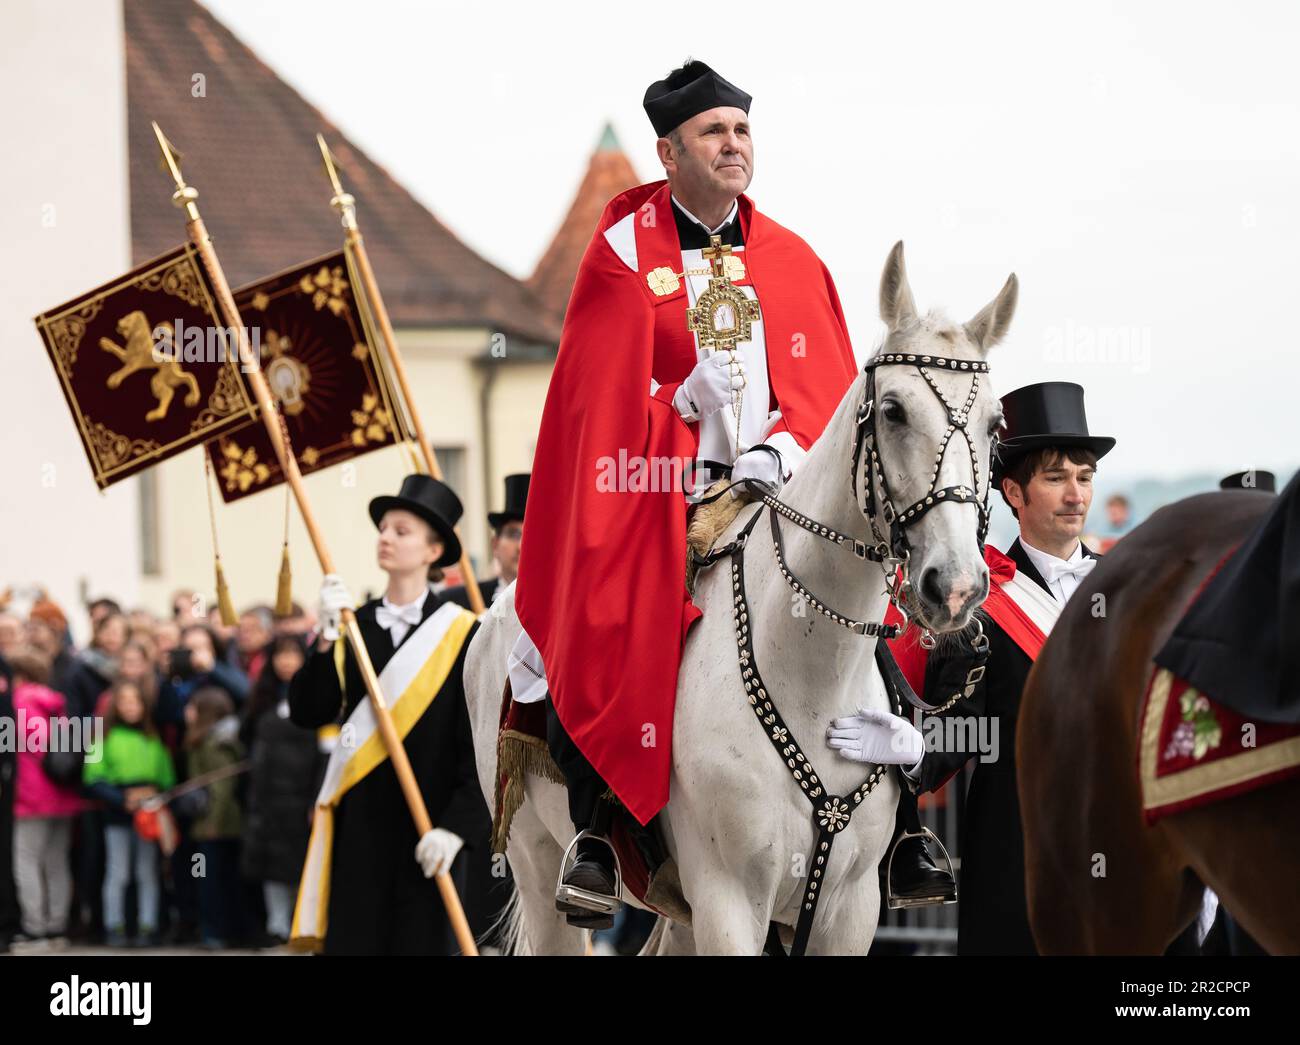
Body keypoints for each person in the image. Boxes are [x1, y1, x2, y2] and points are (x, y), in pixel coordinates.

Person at [512, 59, 861, 924]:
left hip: (780, 486)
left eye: (742, 130)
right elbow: (595, 402)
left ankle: (895, 819)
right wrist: (678, 409)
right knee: (609, 607)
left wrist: (783, 447)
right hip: (657, 493)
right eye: (715, 132)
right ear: (669, 151)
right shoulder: (624, 251)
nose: (734, 145)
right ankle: (596, 825)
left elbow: (830, 392)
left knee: (860, 598)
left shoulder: (791, 257)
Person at [827, 381, 1115, 955]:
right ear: (1013, 491)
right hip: (1020, 860)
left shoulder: (1129, 589)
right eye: (1055, 478)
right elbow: (963, 732)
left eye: (1084, 477)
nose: (1075, 495)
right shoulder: (979, 604)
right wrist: (915, 745)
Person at [289, 474, 491, 954]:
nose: (385, 537)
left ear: (432, 549)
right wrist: (322, 639)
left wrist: (456, 828)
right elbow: (308, 710)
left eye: (402, 530)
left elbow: (478, 748)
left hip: (429, 830)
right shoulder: (352, 626)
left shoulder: (464, 633)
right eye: (383, 527)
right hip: (361, 828)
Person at [240, 634, 323, 946]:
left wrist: (316, 797)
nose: (286, 661)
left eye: (293, 654)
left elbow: (327, 751)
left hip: (301, 795)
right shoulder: (262, 699)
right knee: (270, 865)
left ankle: (301, 923)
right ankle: (276, 924)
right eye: (280, 654)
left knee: (300, 864)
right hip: (266, 797)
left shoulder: (317, 697)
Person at [83, 679, 176, 947]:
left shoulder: (152, 737)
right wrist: (121, 799)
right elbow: (92, 778)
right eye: (124, 701)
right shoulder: (101, 736)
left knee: (147, 871)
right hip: (117, 812)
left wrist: (153, 796)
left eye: (135, 701)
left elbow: (166, 778)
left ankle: (148, 925)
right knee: (118, 871)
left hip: (149, 812)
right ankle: (115, 926)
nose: (130, 707)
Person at [9, 647, 82, 945]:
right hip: (64, 797)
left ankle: (34, 928)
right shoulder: (58, 705)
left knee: (26, 861)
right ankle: (56, 927)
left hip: (32, 798)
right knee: (56, 862)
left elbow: (27, 749)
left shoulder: (20, 705)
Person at [184, 686, 246, 948]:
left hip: (214, 826)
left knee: (206, 877)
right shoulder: (215, 739)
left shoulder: (213, 743)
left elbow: (222, 786)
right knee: (216, 877)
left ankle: (214, 931)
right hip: (219, 824)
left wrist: (212, 823)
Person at [445, 473, 528, 611]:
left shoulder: (562, 607)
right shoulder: (458, 603)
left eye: (530, 538)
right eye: (513, 534)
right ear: (495, 544)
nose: (520, 547)